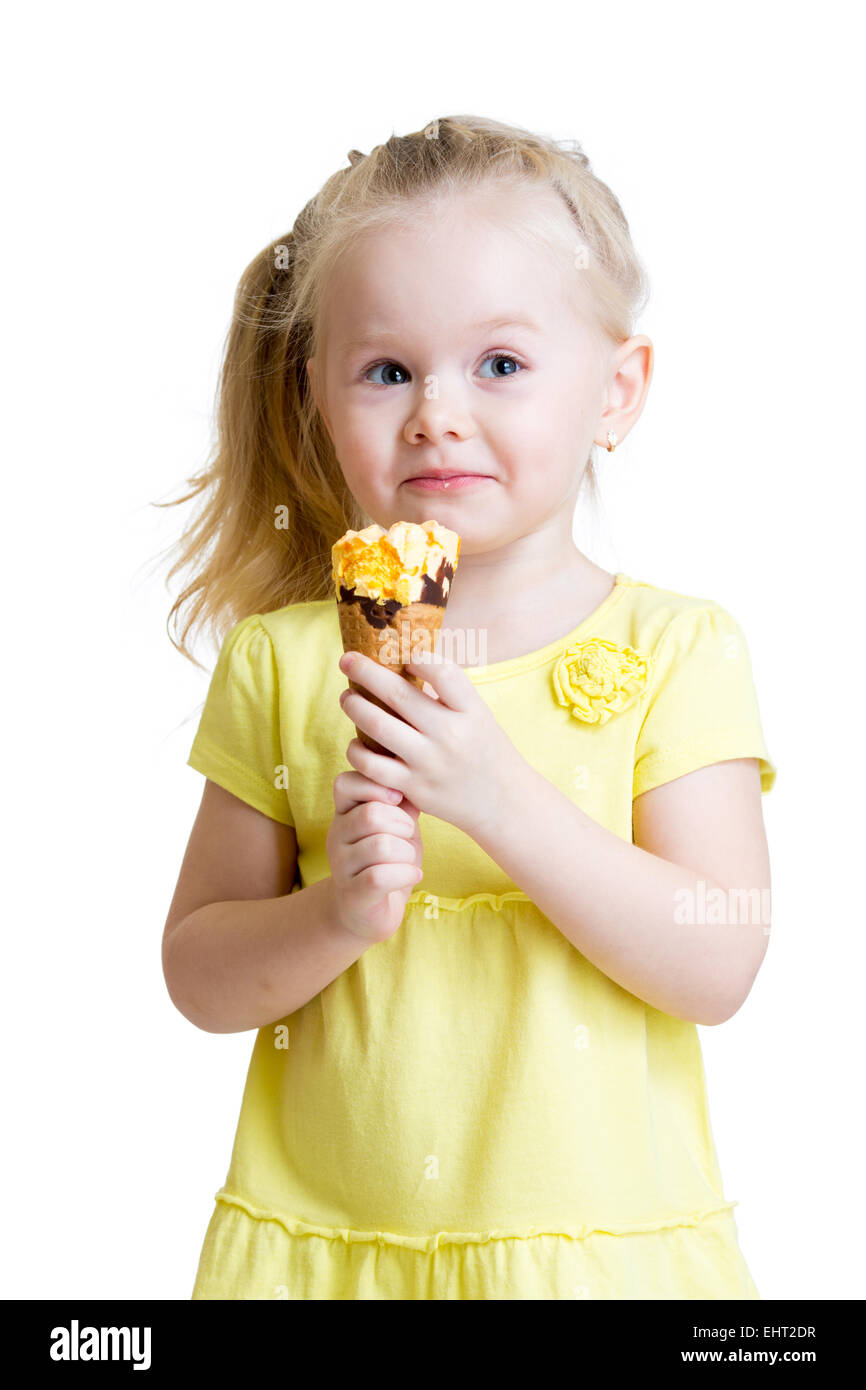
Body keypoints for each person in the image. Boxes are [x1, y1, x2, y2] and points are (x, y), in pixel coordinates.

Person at [160, 114, 777, 1300]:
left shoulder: (677, 650)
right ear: (315, 397)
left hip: (598, 1272)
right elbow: (196, 972)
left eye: (498, 364)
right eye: (388, 369)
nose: (436, 411)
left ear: (616, 388)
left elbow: (718, 961)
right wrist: (335, 913)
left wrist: (500, 802)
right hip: (321, 1261)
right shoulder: (283, 665)